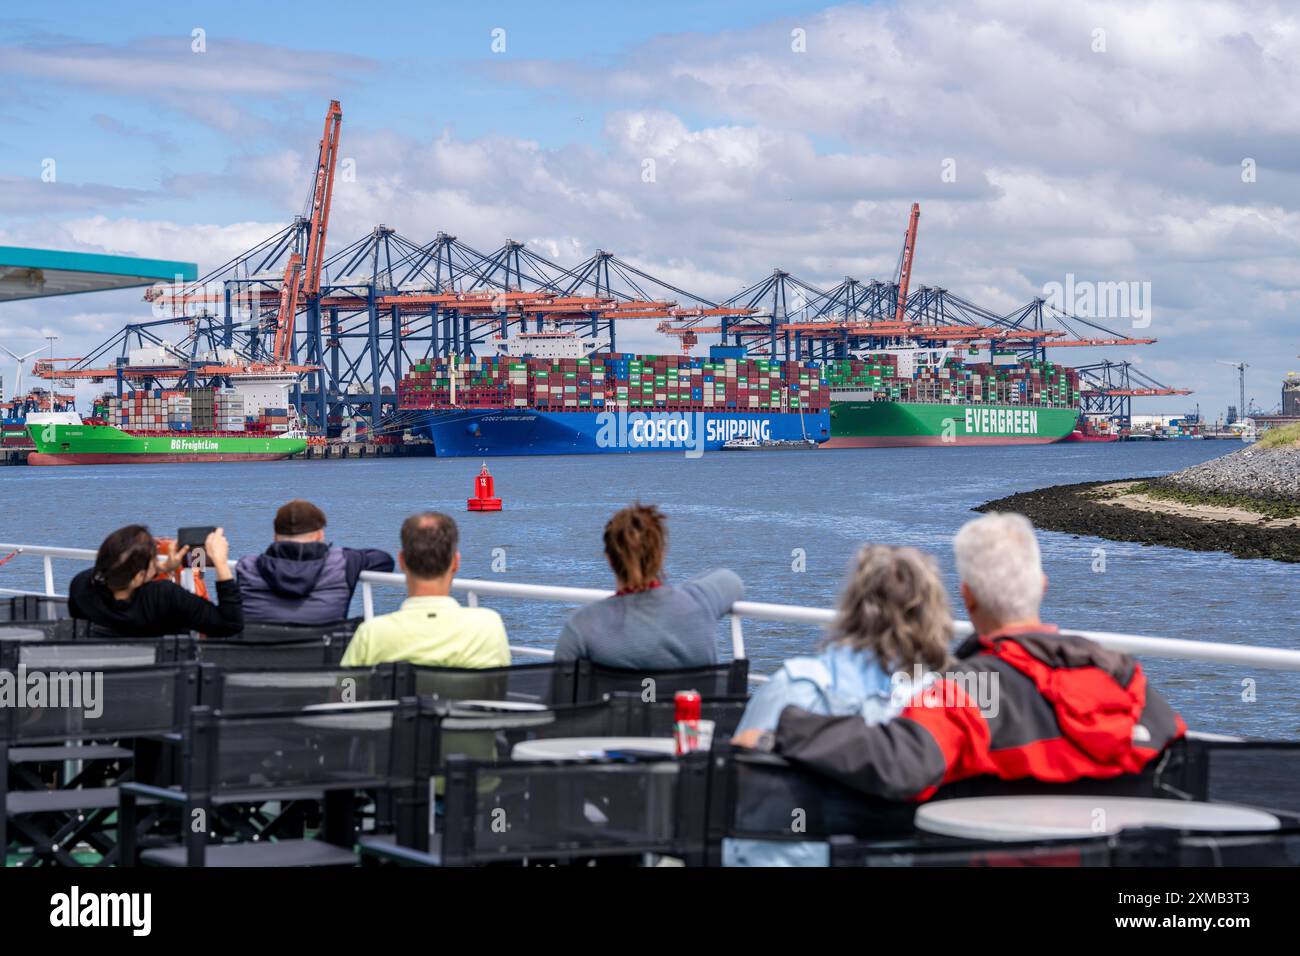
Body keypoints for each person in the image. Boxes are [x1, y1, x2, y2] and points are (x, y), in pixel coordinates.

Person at [733, 512, 1186, 799]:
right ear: (1043, 588)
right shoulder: (1123, 674)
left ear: (966, 599)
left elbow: (903, 763)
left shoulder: (969, 688)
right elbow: (1184, 762)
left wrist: (789, 727)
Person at [735, 545, 952, 735]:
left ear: (851, 605)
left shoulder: (789, 687)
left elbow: (741, 759)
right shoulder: (943, 707)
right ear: (933, 614)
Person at [552, 502, 743, 669]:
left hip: (616, 711)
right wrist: (684, 592)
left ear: (609, 559)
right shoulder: (699, 601)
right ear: (661, 554)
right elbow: (731, 580)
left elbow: (561, 694)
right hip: (687, 710)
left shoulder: (582, 625)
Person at [340, 512, 508, 668]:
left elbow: (344, 695)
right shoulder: (488, 627)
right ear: (456, 562)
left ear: (402, 561)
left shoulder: (371, 634)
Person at [236, 499, 394, 626]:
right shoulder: (344, 561)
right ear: (319, 535)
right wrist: (344, 553)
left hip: (259, 660)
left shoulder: (247, 567)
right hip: (325, 660)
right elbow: (385, 561)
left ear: (275, 536)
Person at [69, 525, 244, 637]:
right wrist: (221, 562)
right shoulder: (163, 597)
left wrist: (160, 568)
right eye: (154, 561)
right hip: (165, 689)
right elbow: (230, 624)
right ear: (139, 576)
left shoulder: (81, 589)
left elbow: (106, 572)